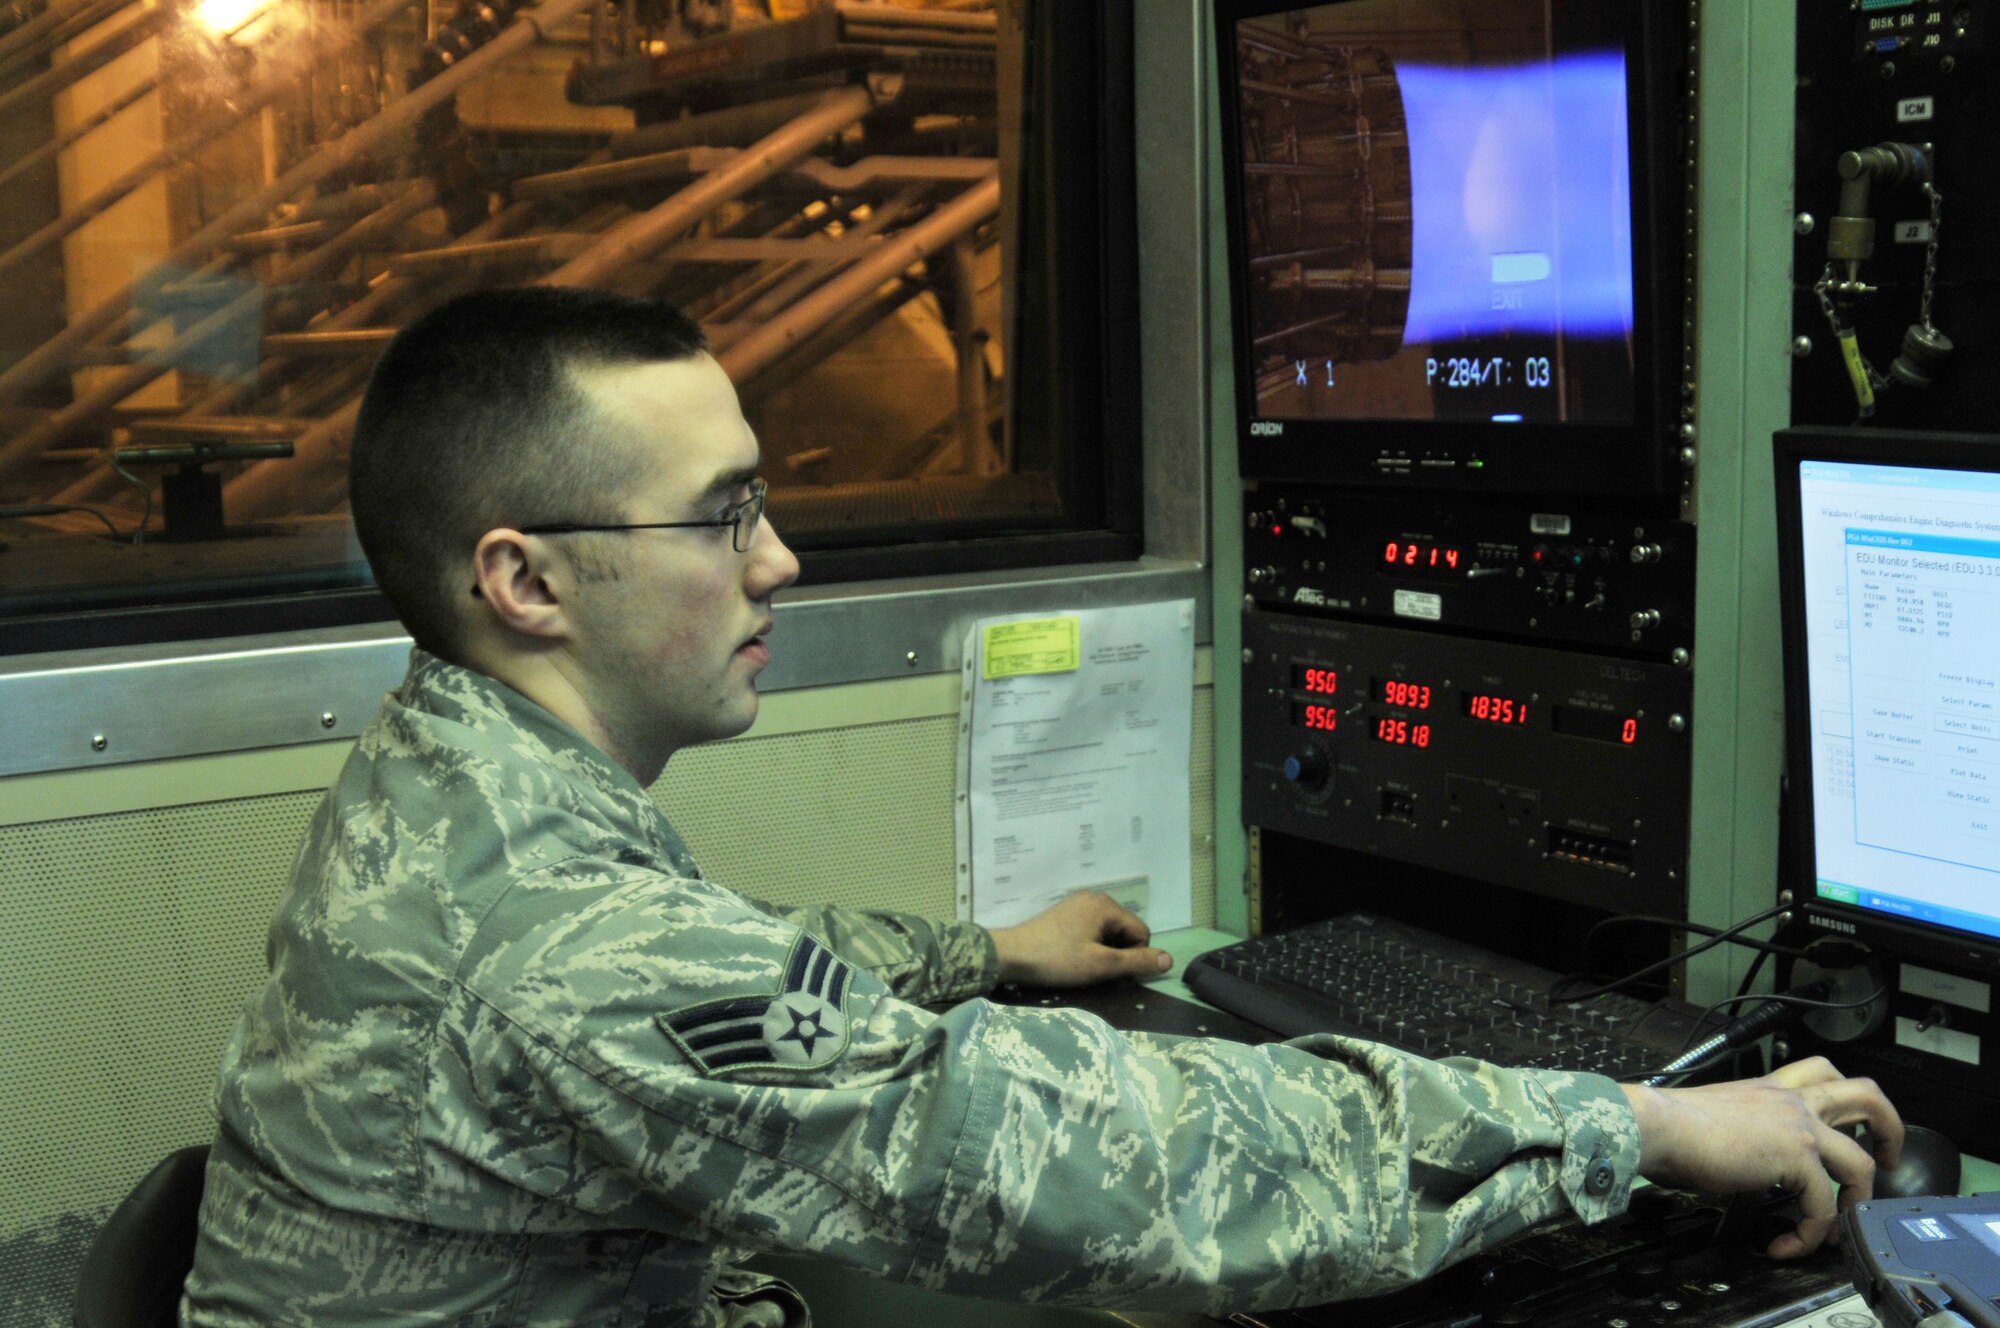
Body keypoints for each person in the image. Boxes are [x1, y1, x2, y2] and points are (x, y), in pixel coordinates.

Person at [181, 287, 1903, 1327]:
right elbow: (1092, 1170)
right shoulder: (567, 946)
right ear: (525, 580)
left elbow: (739, 968)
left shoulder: (456, 776)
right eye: (720, 517)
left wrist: (977, 951)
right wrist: (1624, 1127)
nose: (778, 558)